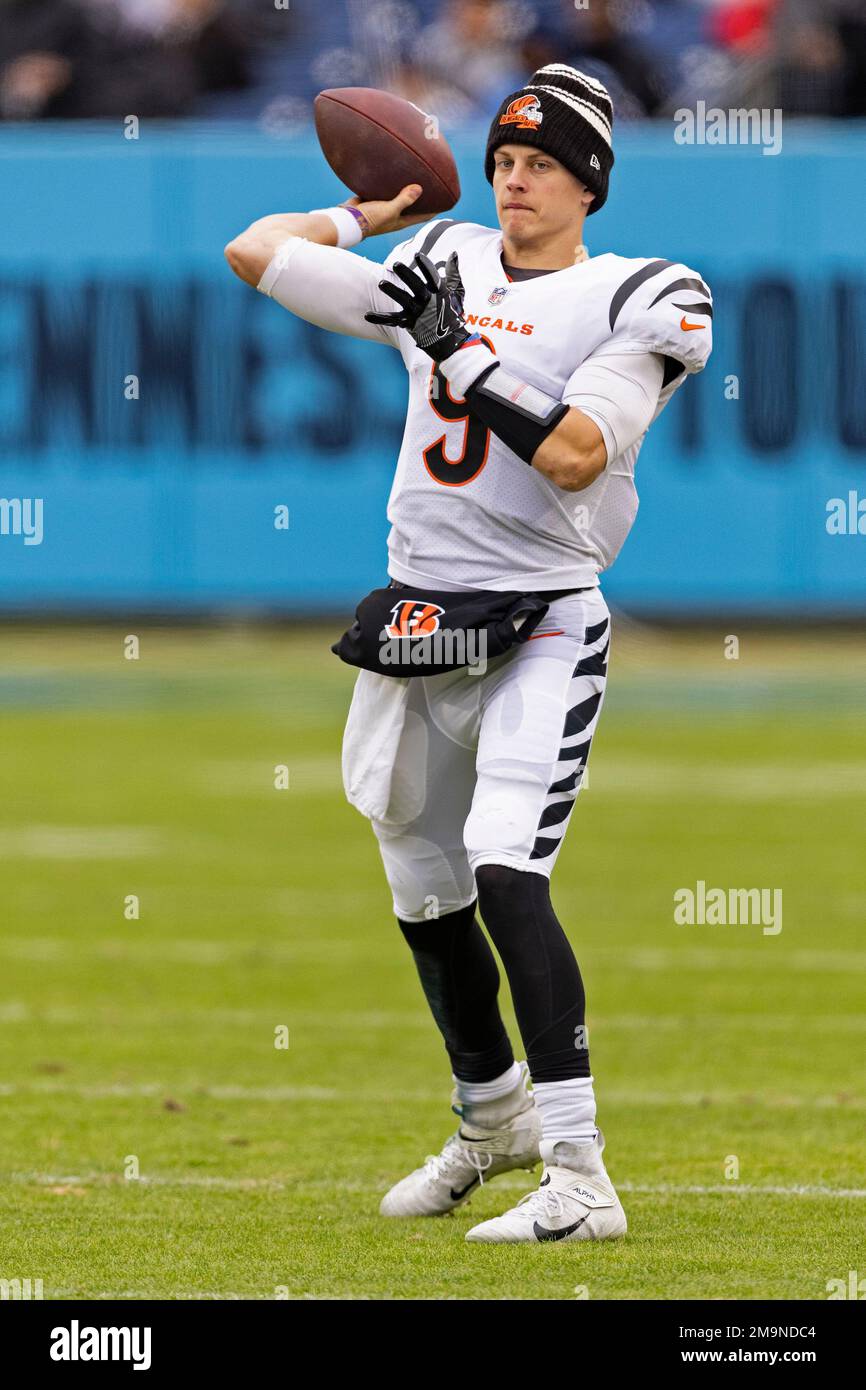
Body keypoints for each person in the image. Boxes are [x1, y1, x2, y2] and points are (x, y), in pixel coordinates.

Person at [225, 63, 712, 1244]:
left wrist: (460, 354)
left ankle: (582, 1176)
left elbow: (578, 455)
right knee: (416, 876)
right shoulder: (441, 258)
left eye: (539, 165)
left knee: (503, 866)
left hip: (540, 612)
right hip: (418, 614)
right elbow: (253, 249)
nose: (514, 184)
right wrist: (368, 217)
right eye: (500, 163)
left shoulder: (640, 294)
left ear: (587, 182)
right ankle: (490, 1115)